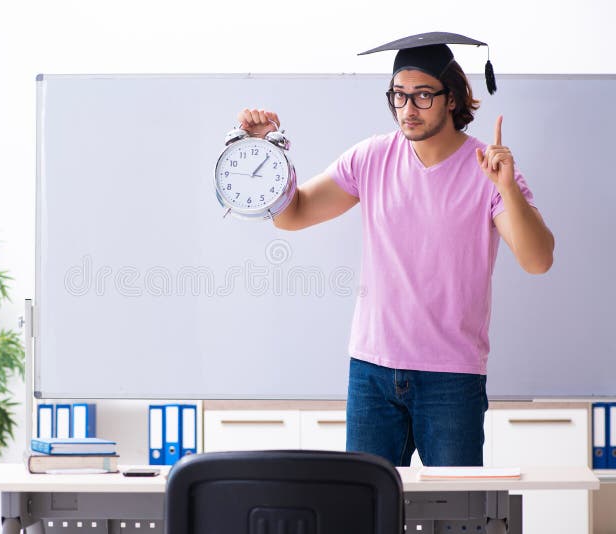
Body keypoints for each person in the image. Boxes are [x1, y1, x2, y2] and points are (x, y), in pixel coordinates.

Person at [236, 33, 555, 467]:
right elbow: (293, 214)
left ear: (452, 99)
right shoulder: (371, 158)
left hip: (452, 377)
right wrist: (262, 150)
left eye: (423, 96)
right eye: (399, 96)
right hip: (372, 372)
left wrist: (506, 189)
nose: (408, 109)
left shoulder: (490, 169)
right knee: (367, 512)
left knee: (455, 514)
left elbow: (538, 260)